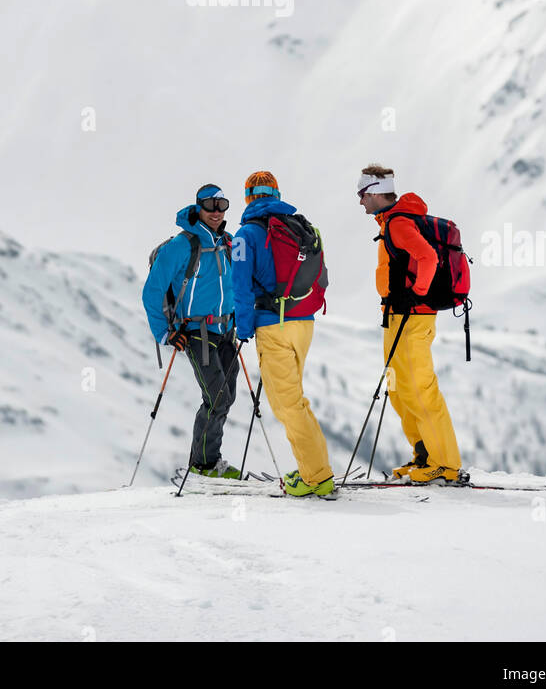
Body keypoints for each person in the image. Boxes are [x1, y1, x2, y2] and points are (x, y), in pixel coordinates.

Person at [357, 164, 462, 483]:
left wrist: (416, 294)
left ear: (375, 192)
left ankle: (445, 465)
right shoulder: (392, 222)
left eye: (362, 194)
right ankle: (424, 456)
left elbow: (428, 257)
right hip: (397, 315)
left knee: (420, 388)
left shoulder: (399, 224)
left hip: (413, 317)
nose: (361, 201)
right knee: (400, 389)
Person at [232, 170, 334, 498]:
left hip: (271, 325)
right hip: (304, 323)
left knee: (287, 405)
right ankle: (317, 470)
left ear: (249, 197)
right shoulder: (305, 229)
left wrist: (243, 329)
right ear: (276, 194)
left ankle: (316, 477)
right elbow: (320, 277)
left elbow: (240, 288)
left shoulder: (245, 236)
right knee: (295, 400)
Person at [142, 183, 241, 478]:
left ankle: (210, 461)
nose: (216, 211)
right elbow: (153, 290)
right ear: (198, 207)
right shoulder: (182, 245)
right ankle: (202, 466)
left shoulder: (228, 241)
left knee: (227, 396)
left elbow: (237, 284)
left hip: (227, 330)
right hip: (196, 332)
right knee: (217, 397)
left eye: (221, 204)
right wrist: (165, 333)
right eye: (210, 205)